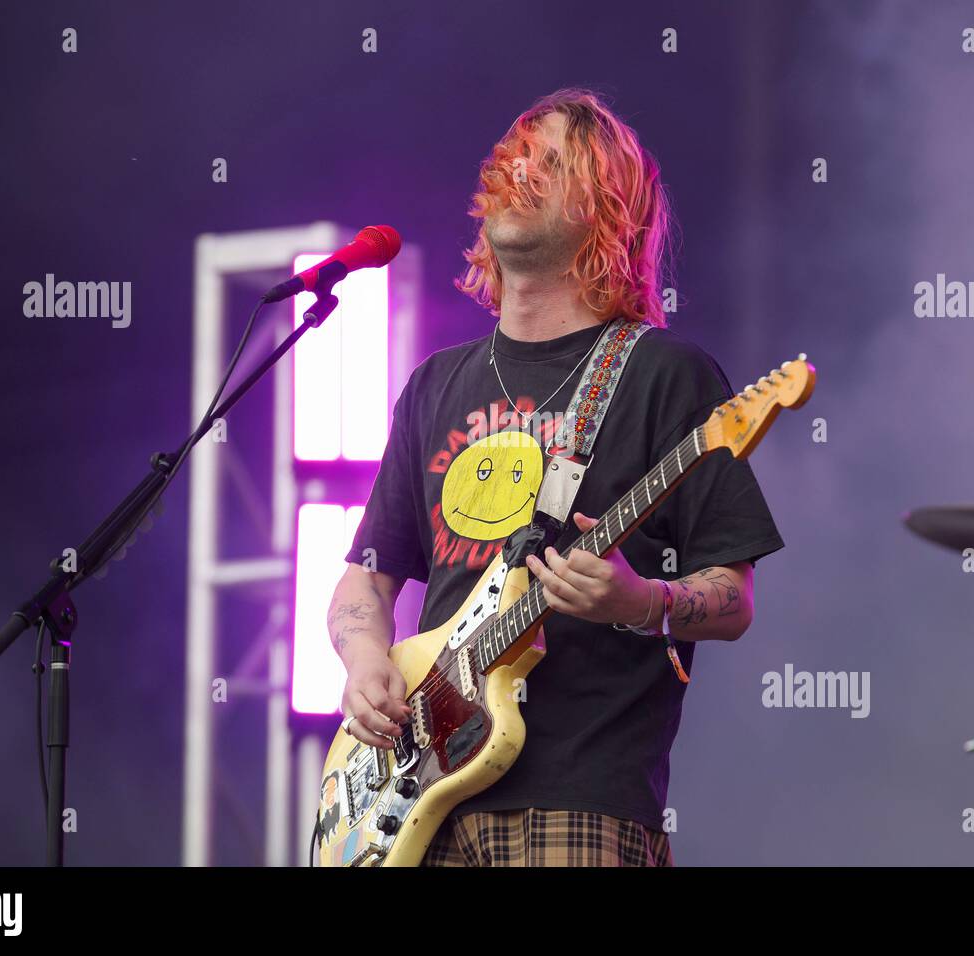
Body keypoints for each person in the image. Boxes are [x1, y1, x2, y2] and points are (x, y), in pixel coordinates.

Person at [326, 88, 782, 866]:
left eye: (551, 161)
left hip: (576, 800)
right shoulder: (436, 384)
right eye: (512, 156)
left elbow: (733, 601)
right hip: (412, 800)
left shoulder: (664, 376)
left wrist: (640, 602)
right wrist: (368, 660)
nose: (519, 170)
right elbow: (365, 582)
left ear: (605, 207)